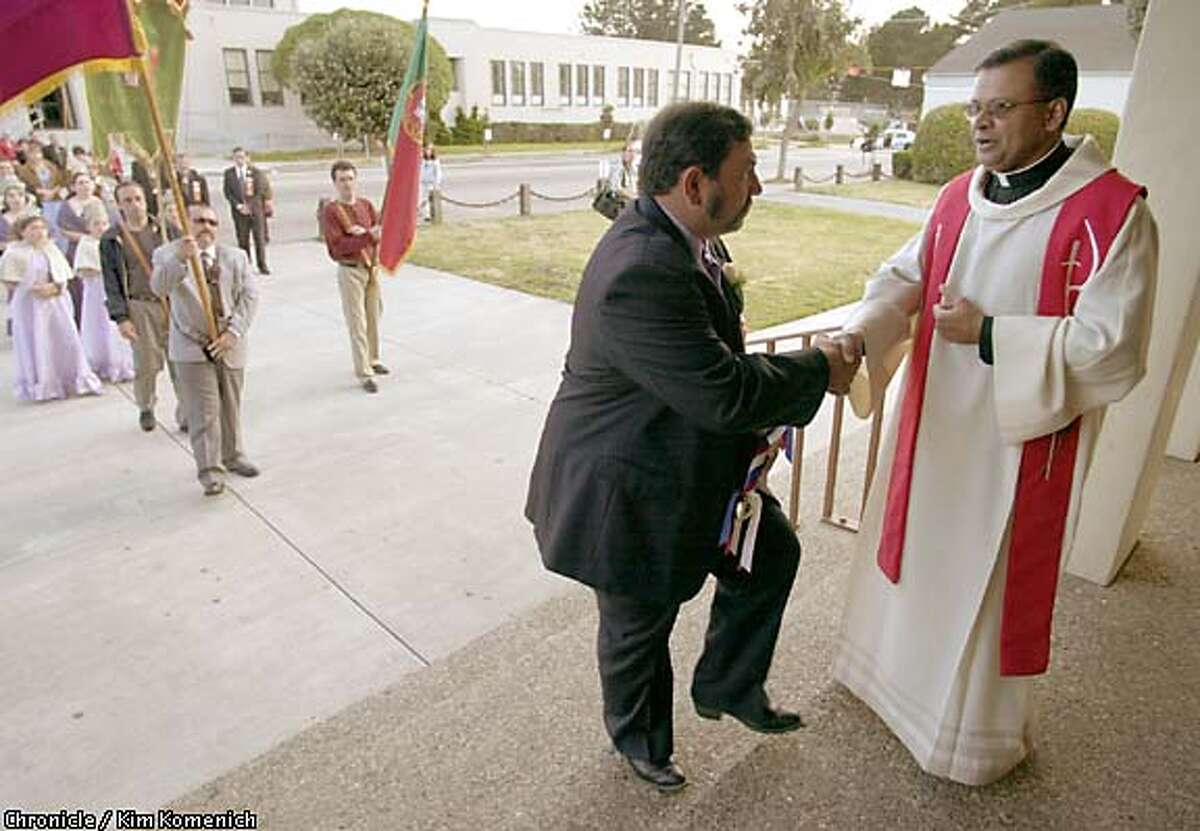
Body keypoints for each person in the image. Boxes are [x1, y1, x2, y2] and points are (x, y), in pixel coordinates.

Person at [828, 40, 1158, 786]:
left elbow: (1114, 349)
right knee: (910, 554)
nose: (980, 123)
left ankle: (963, 740)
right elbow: (904, 277)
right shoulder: (958, 196)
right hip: (931, 427)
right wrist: (859, 331)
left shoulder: (1114, 215)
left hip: (1016, 451)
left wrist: (990, 335)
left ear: (1054, 112)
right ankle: (885, 681)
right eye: (975, 108)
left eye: (1000, 108)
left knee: (982, 588)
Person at [524, 102, 858, 793]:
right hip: (625, 485)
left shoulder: (691, 238)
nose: (757, 187)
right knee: (640, 623)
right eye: (749, 171)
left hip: (690, 461)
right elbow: (723, 390)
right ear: (696, 180)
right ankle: (638, 739)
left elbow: (714, 369)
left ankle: (728, 685)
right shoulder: (640, 269)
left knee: (773, 553)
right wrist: (820, 367)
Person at [151, 204, 260, 497]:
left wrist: (232, 333)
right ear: (186, 222)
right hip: (192, 346)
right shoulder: (167, 254)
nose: (206, 227)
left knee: (231, 405)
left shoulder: (235, 257)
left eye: (212, 222)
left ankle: (234, 454)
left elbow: (250, 297)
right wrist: (180, 260)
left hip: (229, 343)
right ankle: (210, 470)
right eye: (199, 221)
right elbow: (159, 287)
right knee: (204, 411)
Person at [100, 181, 186, 433]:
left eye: (137, 198)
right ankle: (146, 405)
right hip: (140, 305)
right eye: (127, 200)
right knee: (147, 364)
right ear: (119, 205)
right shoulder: (112, 239)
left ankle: (186, 412)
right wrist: (121, 317)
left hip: (170, 303)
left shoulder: (165, 230)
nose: (134, 204)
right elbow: (111, 281)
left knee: (181, 362)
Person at [0, 214, 102, 402]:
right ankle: (44, 383)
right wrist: (32, 288)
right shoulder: (14, 253)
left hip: (55, 302)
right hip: (31, 306)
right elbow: (10, 280)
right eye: (33, 228)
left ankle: (73, 378)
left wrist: (56, 286)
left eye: (41, 228)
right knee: (38, 340)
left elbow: (63, 274)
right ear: (22, 232)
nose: (38, 232)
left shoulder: (51, 249)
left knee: (64, 337)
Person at [322, 160, 388, 393]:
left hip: (371, 267)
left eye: (350, 179)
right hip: (350, 269)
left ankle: (373, 358)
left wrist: (375, 234)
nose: (347, 184)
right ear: (335, 183)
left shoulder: (366, 206)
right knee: (356, 321)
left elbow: (380, 230)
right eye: (342, 180)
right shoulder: (332, 211)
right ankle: (364, 372)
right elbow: (337, 247)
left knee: (374, 315)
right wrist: (367, 237)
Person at [75, 206, 134, 383]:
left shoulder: (111, 242)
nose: (101, 227)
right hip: (96, 290)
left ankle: (120, 361)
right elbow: (82, 269)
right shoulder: (86, 244)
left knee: (113, 326)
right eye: (96, 224)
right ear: (88, 226)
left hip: (112, 287)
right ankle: (100, 361)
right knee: (98, 324)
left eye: (104, 223)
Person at [57, 171, 106, 326]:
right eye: (80, 183)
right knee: (78, 288)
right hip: (76, 247)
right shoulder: (67, 205)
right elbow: (62, 229)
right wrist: (85, 238)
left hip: (100, 245)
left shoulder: (100, 202)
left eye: (87, 182)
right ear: (74, 186)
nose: (84, 186)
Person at [222, 147, 272, 275]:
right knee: (243, 240)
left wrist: (250, 206)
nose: (239, 160)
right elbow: (228, 193)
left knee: (259, 239)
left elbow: (260, 191)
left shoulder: (255, 172)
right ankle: (246, 266)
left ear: (247, 158)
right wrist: (238, 206)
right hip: (239, 213)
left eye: (242, 157)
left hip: (255, 211)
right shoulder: (229, 174)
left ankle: (262, 265)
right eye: (236, 157)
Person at [419, 144, 443, 221]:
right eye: (426, 150)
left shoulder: (435, 162)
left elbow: (438, 173)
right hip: (422, 182)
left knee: (428, 199)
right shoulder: (422, 161)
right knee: (422, 198)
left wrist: (436, 183)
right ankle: (424, 213)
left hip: (431, 183)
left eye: (429, 150)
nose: (427, 152)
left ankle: (429, 214)